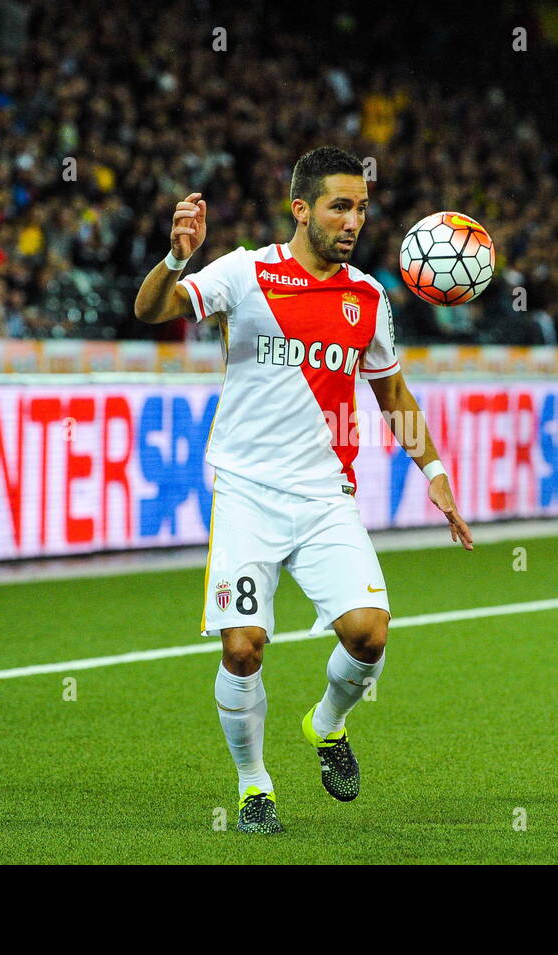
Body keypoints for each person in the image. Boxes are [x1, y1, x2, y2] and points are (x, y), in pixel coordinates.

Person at [133, 146, 473, 834]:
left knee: (369, 634)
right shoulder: (245, 271)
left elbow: (393, 394)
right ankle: (254, 783)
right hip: (249, 493)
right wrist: (176, 258)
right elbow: (150, 310)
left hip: (325, 498)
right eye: (339, 206)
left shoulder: (367, 297)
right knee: (242, 648)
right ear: (302, 209)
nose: (353, 220)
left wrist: (435, 475)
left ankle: (327, 724)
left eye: (361, 208)